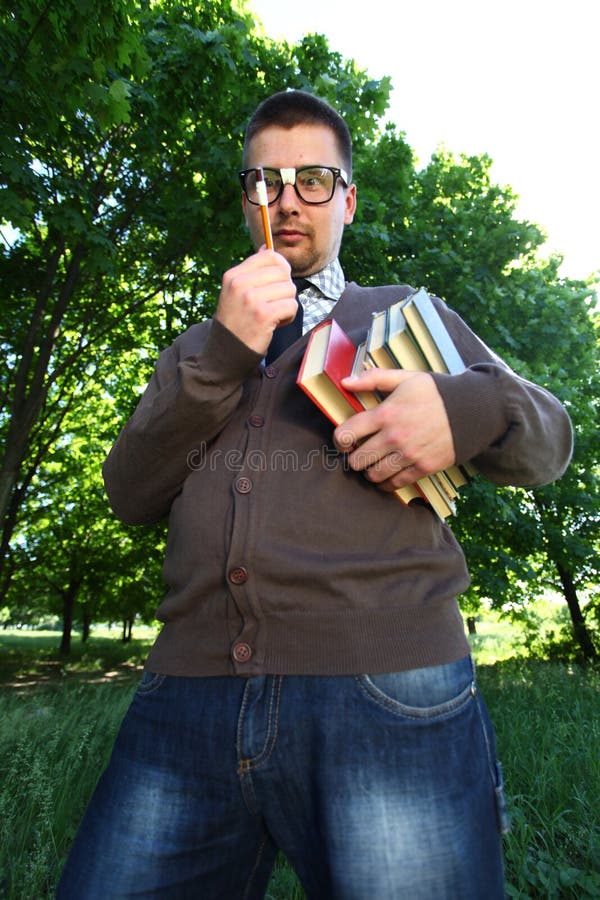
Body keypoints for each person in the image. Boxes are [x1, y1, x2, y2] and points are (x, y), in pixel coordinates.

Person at [57, 90, 573, 899]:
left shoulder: (408, 316)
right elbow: (129, 489)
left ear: (349, 200)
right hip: (184, 698)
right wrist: (226, 352)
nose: (287, 199)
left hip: (388, 695)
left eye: (313, 180)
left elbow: (550, 438)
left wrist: (466, 409)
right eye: (265, 181)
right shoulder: (197, 348)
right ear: (245, 201)